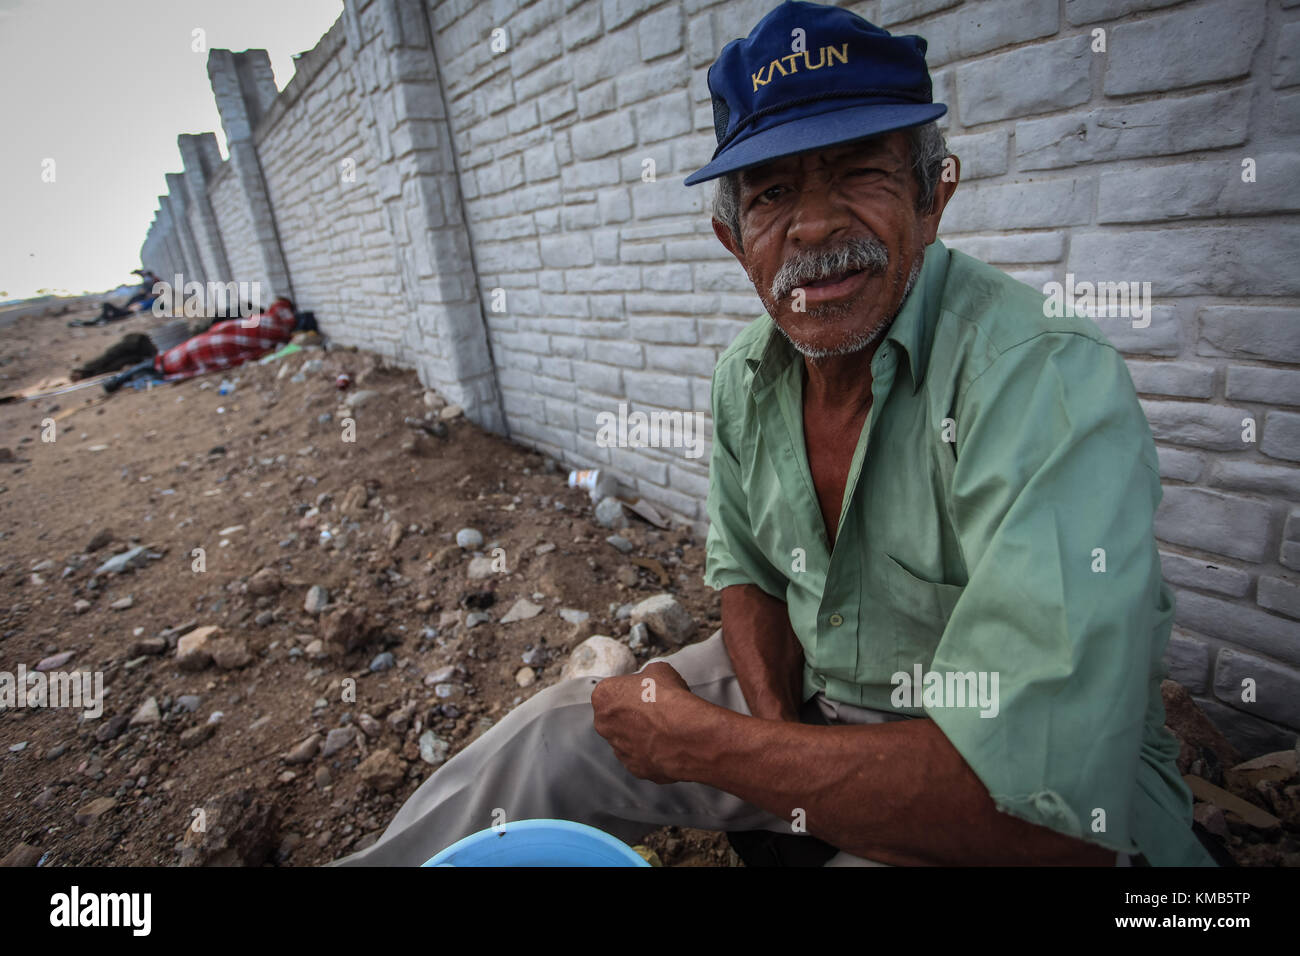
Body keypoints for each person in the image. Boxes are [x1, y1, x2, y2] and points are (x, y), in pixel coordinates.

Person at [334, 1, 1214, 867]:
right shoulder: (748, 376)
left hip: (1010, 793)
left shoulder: (1043, 378)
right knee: (559, 734)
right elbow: (749, 573)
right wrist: (779, 746)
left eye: (860, 172)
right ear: (733, 237)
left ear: (932, 196)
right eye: (774, 192)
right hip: (822, 704)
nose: (816, 224)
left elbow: (1043, 821)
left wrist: (717, 752)